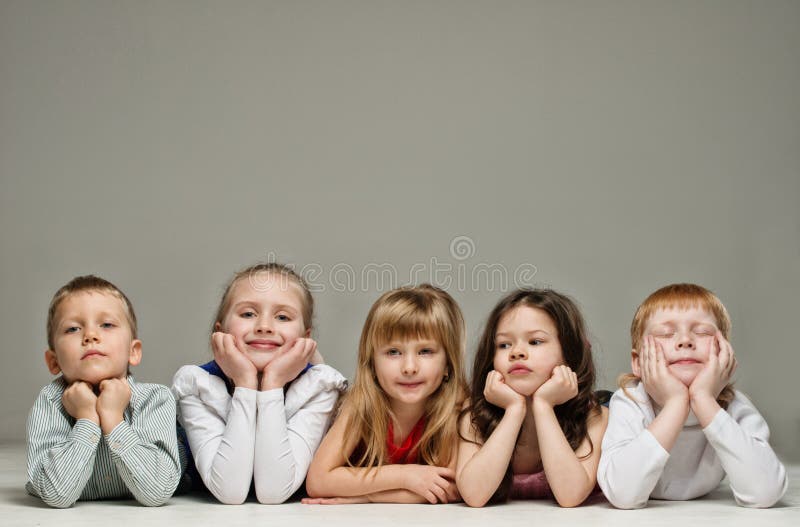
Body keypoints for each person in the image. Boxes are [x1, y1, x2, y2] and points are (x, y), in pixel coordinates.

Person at [598, 283, 787, 508]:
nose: (685, 340)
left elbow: (765, 492)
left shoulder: (734, 406)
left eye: (703, 332)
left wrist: (704, 400)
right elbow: (623, 494)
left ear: (724, 351)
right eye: (666, 333)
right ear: (638, 362)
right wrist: (676, 404)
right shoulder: (630, 402)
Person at [172, 263, 346, 504]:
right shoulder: (197, 385)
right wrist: (245, 383)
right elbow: (229, 491)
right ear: (220, 332)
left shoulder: (319, 387)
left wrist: (273, 383)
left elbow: (274, 491)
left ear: (305, 338)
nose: (264, 326)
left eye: (283, 317)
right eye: (248, 314)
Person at [27, 275, 181, 508]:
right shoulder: (49, 402)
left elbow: (158, 491)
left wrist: (113, 420)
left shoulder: (155, 399)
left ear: (134, 352)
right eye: (72, 328)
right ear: (53, 361)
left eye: (106, 325)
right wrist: (87, 419)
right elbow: (56, 494)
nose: (90, 335)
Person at [304, 284, 466, 504]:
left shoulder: (457, 408)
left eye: (425, 351)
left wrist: (365, 496)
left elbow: (452, 489)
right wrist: (405, 476)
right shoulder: (362, 404)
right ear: (372, 363)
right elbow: (318, 481)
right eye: (393, 352)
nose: (409, 367)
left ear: (448, 363)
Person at [456, 289, 607, 507]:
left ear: (568, 352)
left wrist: (544, 405)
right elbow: (474, 495)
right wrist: (514, 410)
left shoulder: (594, 415)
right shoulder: (475, 412)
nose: (516, 352)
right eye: (504, 345)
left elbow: (570, 496)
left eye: (535, 342)